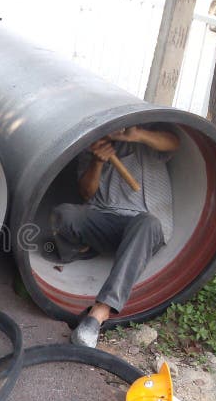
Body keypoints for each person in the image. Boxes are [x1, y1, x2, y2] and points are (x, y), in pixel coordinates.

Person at [46, 125, 180, 348]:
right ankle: (84, 249)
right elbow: (86, 193)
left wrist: (138, 135)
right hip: (105, 221)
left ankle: (100, 311)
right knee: (63, 214)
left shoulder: (146, 145)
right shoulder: (92, 149)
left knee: (147, 223)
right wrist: (97, 162)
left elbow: (174, 142)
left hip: (142, 226)